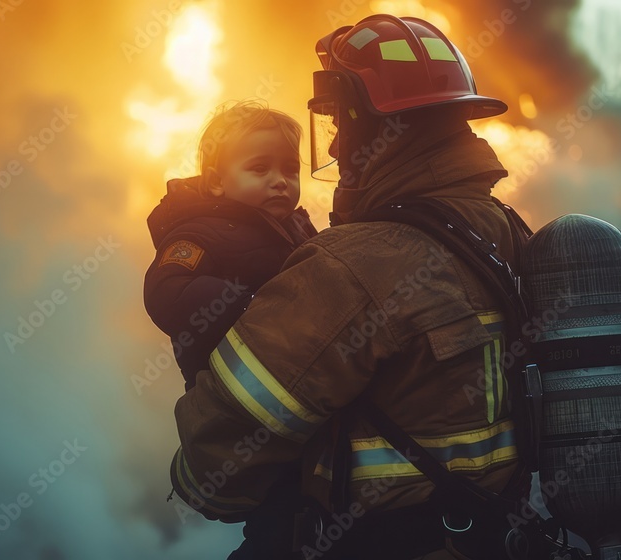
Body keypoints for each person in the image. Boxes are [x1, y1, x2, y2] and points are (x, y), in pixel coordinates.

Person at [169, 15, 532, 560]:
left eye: (343, 124)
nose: (335, 147)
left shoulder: (351, 266)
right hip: (494, 538)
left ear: (374, 130)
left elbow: (219, 464)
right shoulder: (505, 231)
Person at [144, 100, 317, 393]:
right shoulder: (200, 232)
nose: (280, 181)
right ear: (216, 182)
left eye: (290, 169)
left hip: (303, 383)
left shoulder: (302, 233)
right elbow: (167, 291)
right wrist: (251, 305)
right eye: (260, 168)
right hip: (234, 394)